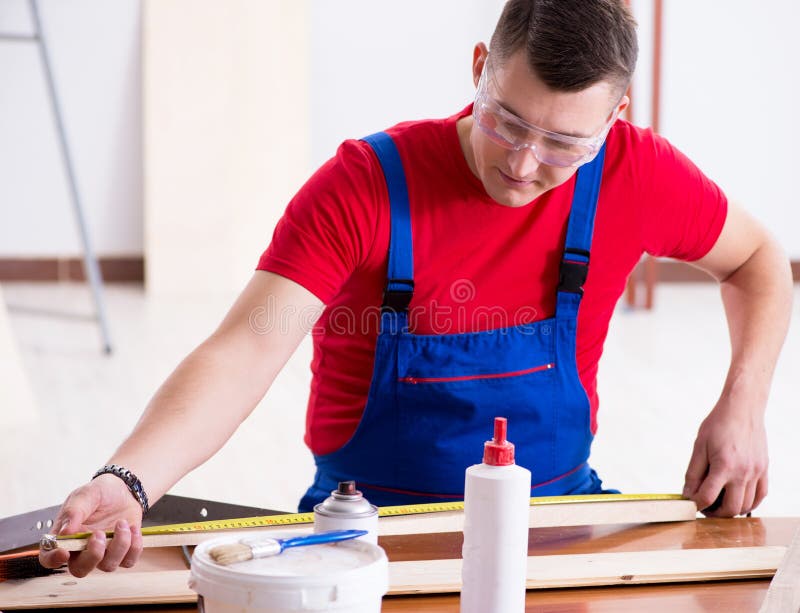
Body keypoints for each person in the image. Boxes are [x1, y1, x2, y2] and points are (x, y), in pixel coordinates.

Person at [41, 0, 792, 578]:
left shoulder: (636, 171)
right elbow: (251, 340)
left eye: (565, 144)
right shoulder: (363, 187)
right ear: (479, 66)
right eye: (507, 121)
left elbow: (758, 260)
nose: (526, 165)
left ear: (615, 119)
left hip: (561, 527)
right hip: (364, 541)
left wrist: (745, 402)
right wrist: (130, 478)